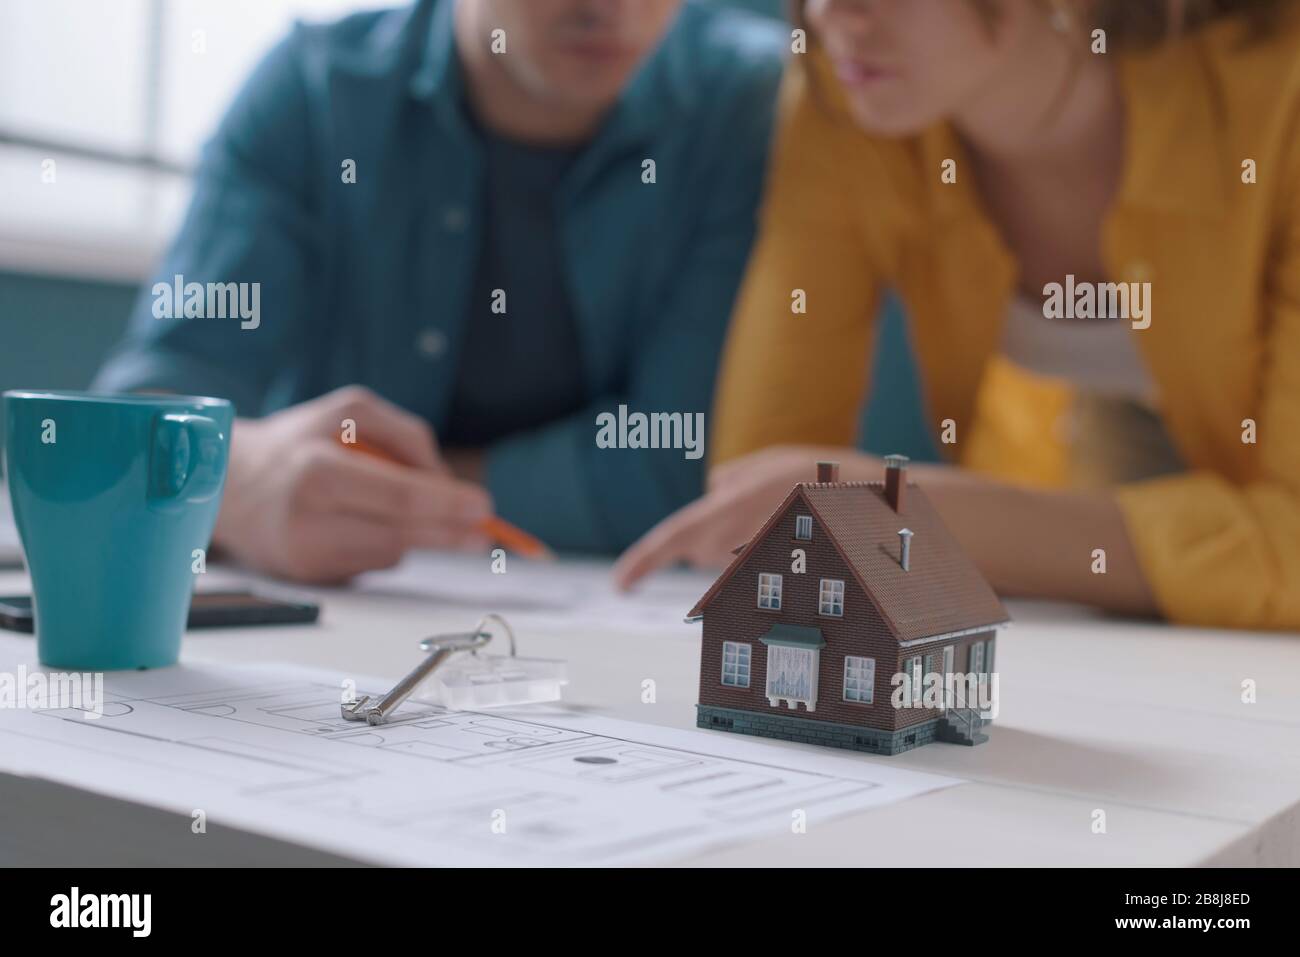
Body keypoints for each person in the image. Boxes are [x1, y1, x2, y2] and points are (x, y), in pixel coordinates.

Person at [615, 0, 1300, 631]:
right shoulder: (849, 92)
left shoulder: (1278, 96)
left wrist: (909, 511)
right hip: (1135, 493)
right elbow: (765, 492)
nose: (830, 14)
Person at [95, 0, 784, 582]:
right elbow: (139, 416)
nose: (611, 9)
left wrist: (363, 491)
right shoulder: (314, 92)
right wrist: (236, 482)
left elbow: (678, 473)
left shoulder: (758, 106)